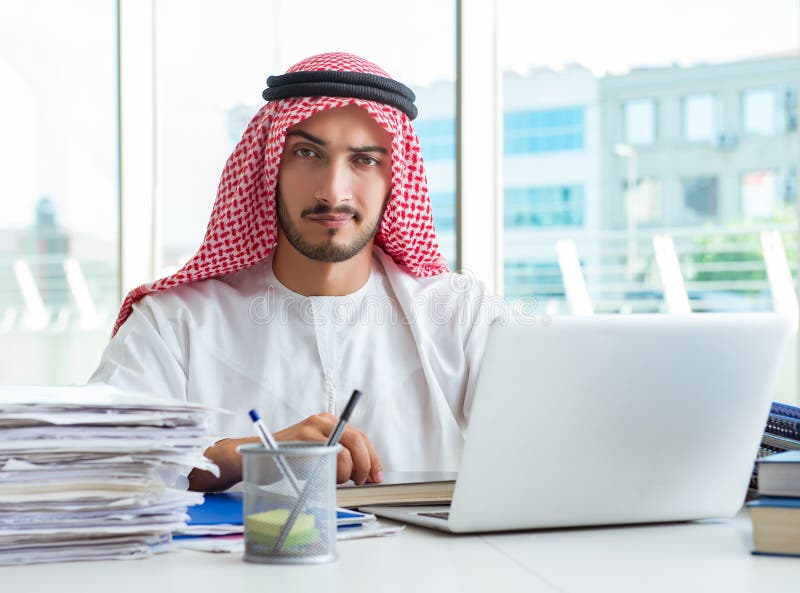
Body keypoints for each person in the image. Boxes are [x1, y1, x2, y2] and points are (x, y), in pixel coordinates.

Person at [90, 52, 498, 492]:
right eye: (307, 153)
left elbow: (539, 446)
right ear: (270, 169)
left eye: (364, 160)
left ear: (394, 180)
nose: (333, 192)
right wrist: (243, 456)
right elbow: (100, 459)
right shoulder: (176, 320)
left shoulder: (458, 315)